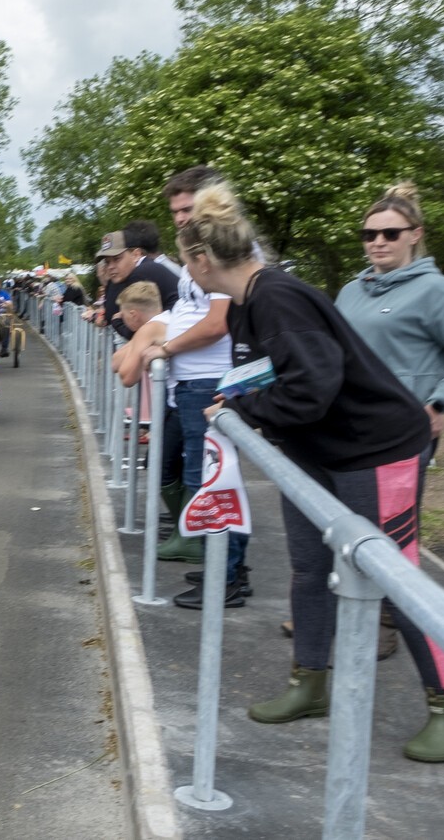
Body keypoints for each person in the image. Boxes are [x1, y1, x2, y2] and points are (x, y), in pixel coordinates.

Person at [185, 181, 444, 763]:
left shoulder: (277, 298)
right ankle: (308, 682)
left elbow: (312, 389)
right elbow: (272, 377)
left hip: (379, 448)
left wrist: (243, 412)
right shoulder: (249, 303)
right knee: (309, 568)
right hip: (318, 451)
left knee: (397, 579)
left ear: (202, 261)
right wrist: (239, 403)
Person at [334, 181, 444, 660]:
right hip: (349, 431)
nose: (377, 242)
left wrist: (438, 402)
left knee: (392, 535)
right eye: (369, 234)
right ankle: (337, 613)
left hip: (403, 435)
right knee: (347, 525)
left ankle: (387, 623)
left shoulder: (437, 290)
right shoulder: (351, 290)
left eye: (389, 233)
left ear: (414, 235)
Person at [140, 165, 251, 609]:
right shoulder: (198, 250)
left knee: (210, 482)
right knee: (209, 480)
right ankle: (225, 569)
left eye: (189, 208)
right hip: (194, 383)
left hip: (211, 381)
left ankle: (224, 578)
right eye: (176, 212)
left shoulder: (226, 248)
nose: (182, 218)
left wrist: (167, 348)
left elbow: (216, 324)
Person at [97, 229, 179, 339]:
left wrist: (117, 322)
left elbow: (134, 329)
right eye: (107, 262)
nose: (110, 267)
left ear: (136, 255)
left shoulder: (141, 273)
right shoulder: (144, 268)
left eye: (117, 259)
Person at [111, 282, 168, 387]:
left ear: (134, 315)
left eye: (123, 315)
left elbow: (126, 377)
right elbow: (115, 362)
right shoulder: (167, 319)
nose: (122, 319)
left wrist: (136, 344)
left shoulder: (150, 328)